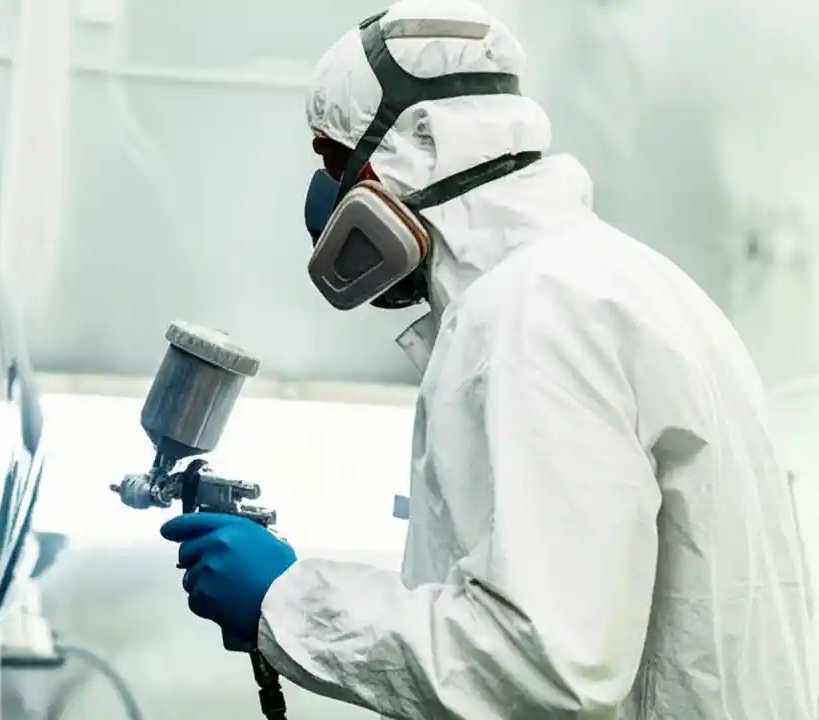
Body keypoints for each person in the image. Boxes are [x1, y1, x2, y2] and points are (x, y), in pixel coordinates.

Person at [160, 1, 816, 717]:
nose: (327, 198)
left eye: (334, 160)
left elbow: (547, 663)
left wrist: (288, 603)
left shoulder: (535, 314)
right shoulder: (622, 281)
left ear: (419, 145)